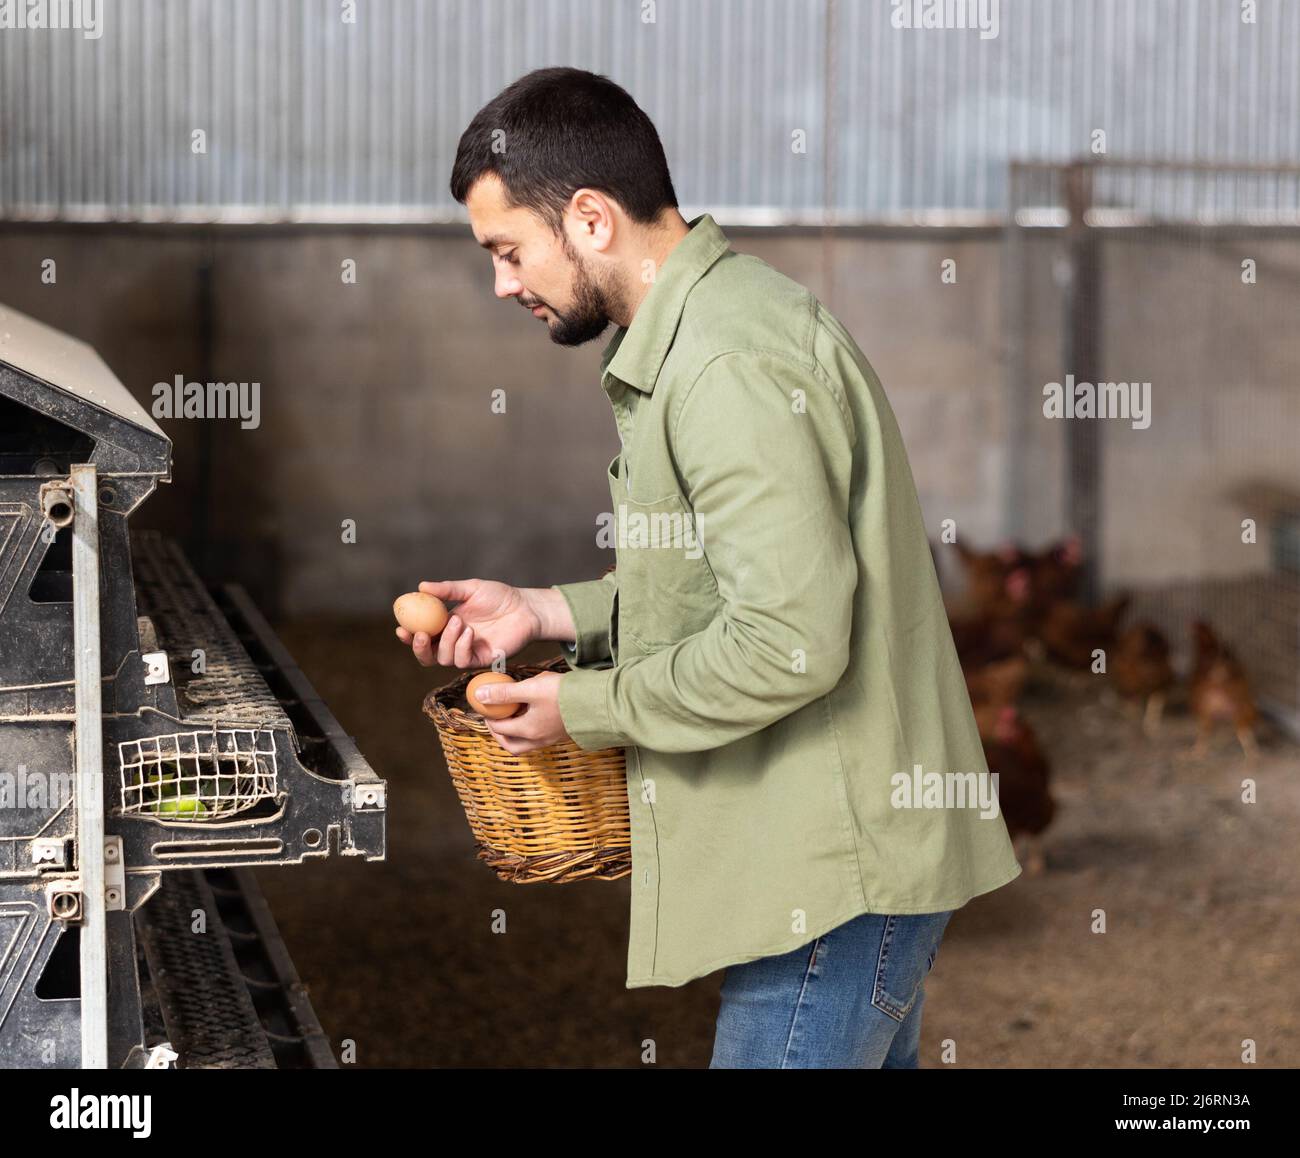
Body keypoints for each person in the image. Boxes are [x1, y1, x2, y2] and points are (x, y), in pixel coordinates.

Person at [398, 66, 1021, 1069]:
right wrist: (542, 611)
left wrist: (585, 709)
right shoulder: (709, 335)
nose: (504, 282)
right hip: (835, 861)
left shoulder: (725, 367)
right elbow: (723, 582)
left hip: (830, 872)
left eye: (508, 250)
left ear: (590, 218)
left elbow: (785, 641)